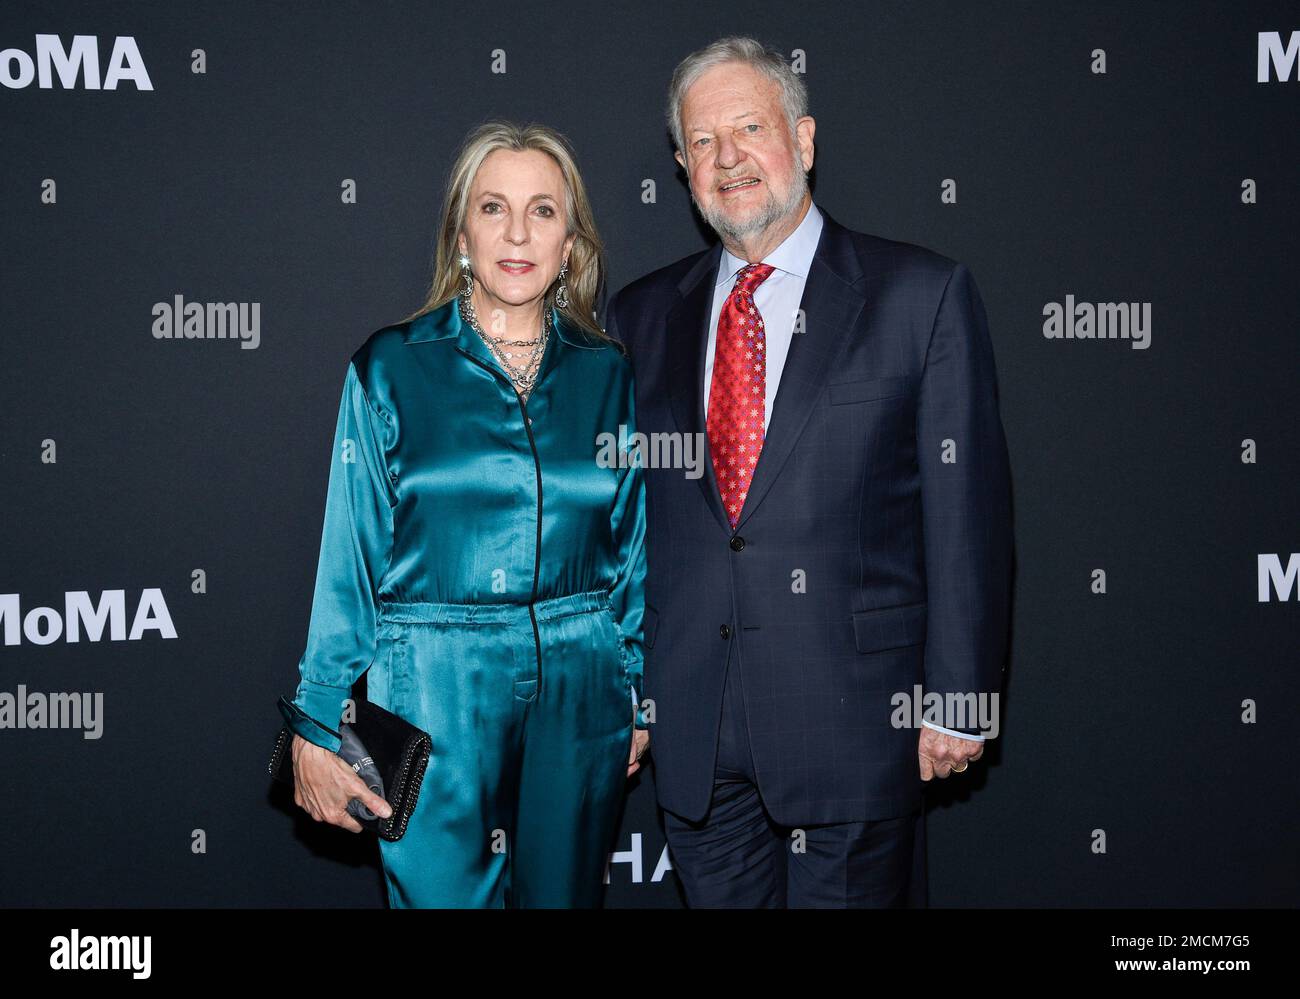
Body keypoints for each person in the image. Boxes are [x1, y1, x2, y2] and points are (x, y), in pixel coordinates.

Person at [603, 36, 1013, 907]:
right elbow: (629, 525)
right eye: (704, 142)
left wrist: (962, 694)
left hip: (860, 724)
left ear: (806, 139)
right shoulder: (641, 315)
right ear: (682, 167)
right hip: (695, 731)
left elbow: (967, 511)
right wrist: (632, 691)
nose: (729, 158)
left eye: (750, 127)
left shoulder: (918, 296)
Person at [278, 120, 650, 908]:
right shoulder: (390, 366)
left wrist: (637, 688)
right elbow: (350, 561)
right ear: (460, 236)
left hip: (583, 688)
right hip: (432, 682)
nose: (517, 232)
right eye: (493, 208)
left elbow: (634, 549)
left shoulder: (609, 374)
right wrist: (316, 723)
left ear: (571, 244)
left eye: (544, 210)